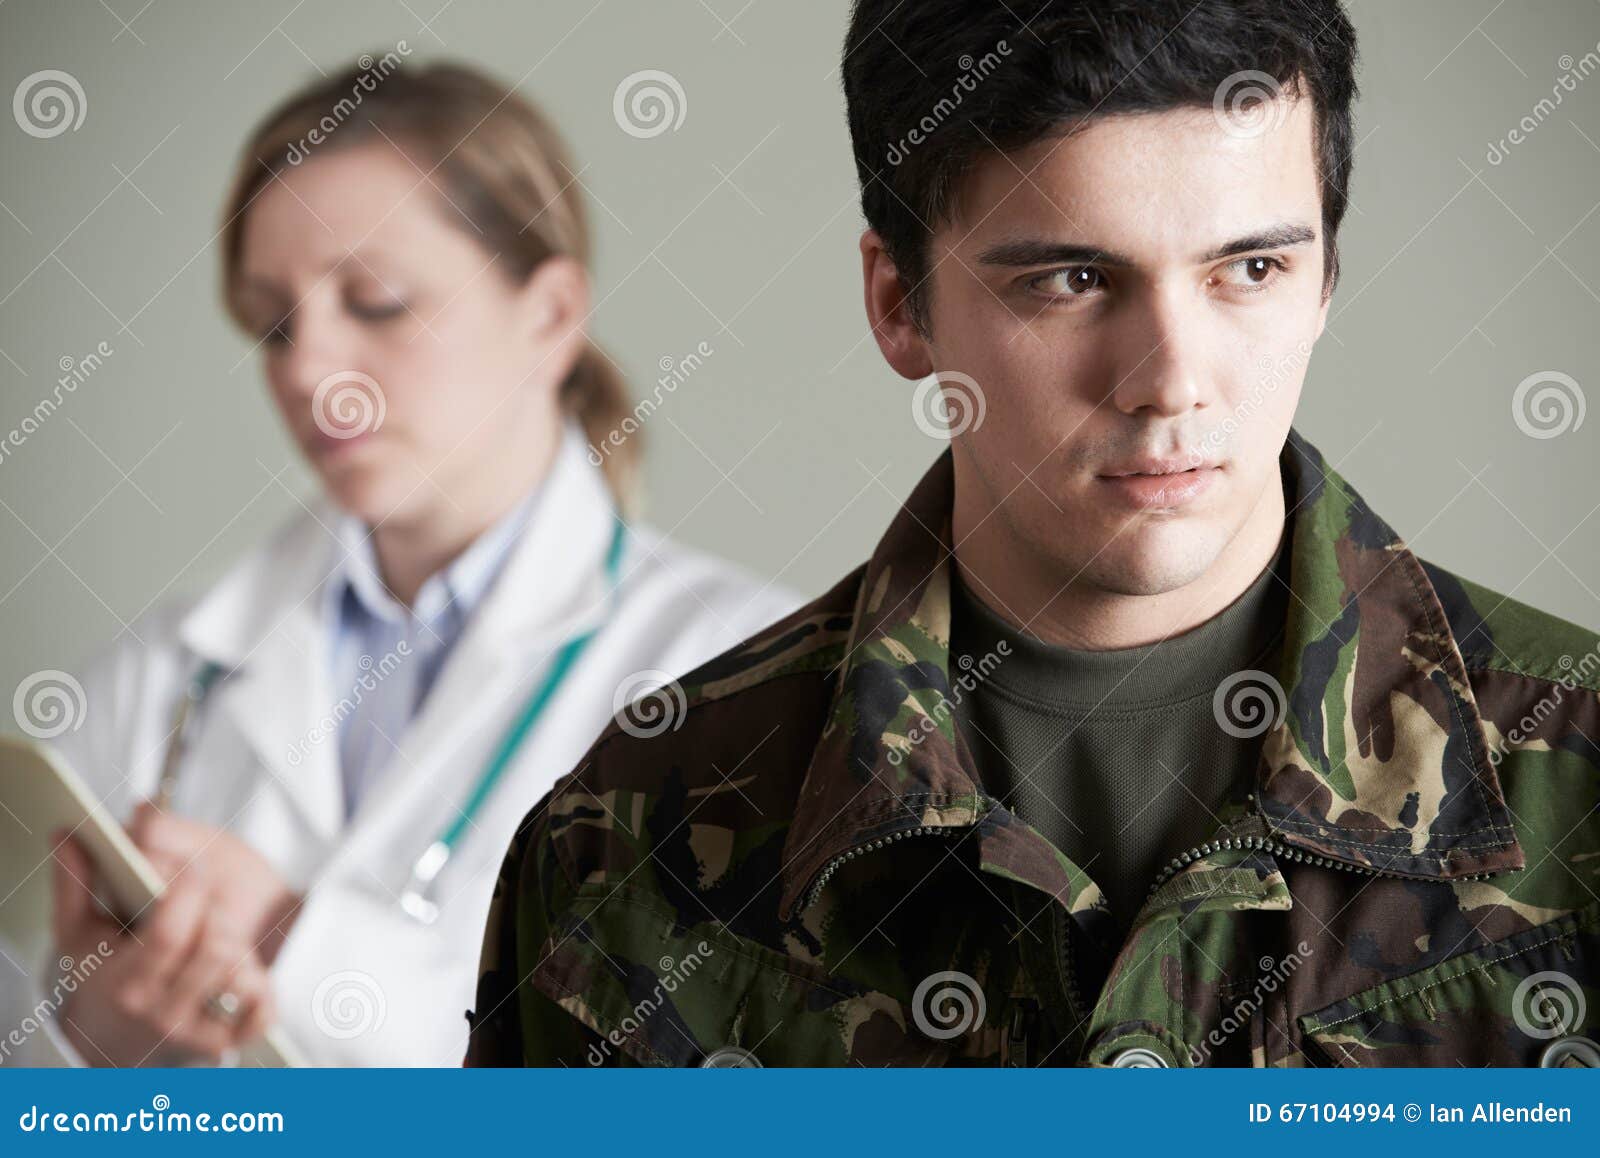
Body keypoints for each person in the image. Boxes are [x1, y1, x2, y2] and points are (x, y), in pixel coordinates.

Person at [466, 0, 1600, 1068]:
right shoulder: (623, 845)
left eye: (1250, 269)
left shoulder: (1579, 774)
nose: (1169, 383)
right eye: (1071, 279)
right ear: (898, 305)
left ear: (1325, 278)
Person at [9, 60, 797, 1068]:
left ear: (550, 315)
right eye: (275, 323)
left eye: (375, 301)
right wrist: (87, 1042)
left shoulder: (745, 675)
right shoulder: (158, 676)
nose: (305, 369)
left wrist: (304, 940)